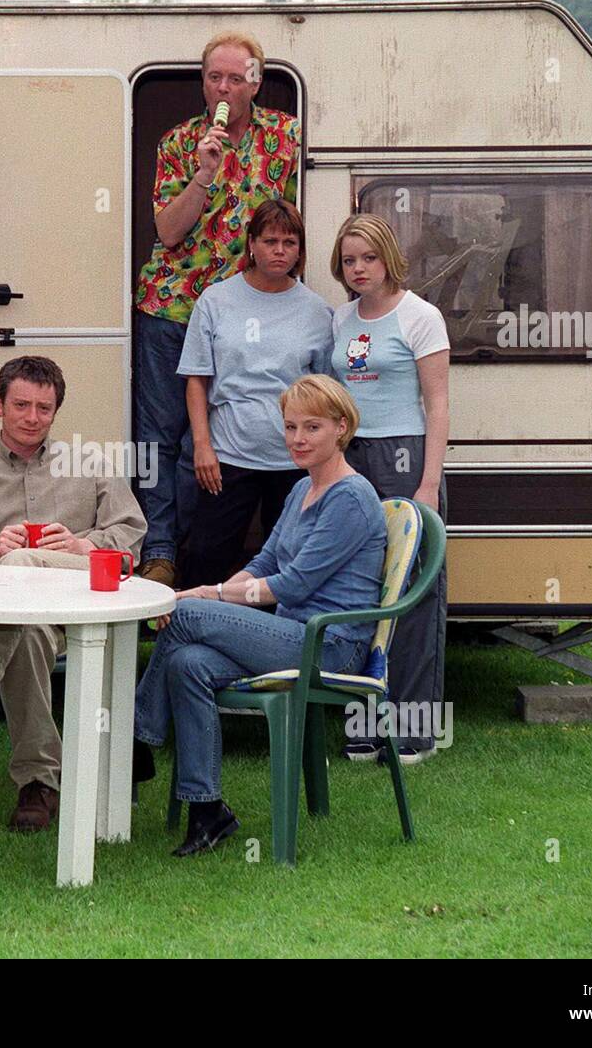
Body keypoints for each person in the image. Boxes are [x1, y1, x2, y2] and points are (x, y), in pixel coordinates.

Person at [134, 375, 386, 856]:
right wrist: (205, 590)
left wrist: (196, 600)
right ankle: (208, 810)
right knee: (188, 664)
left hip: (329, 645)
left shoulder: (350, 498)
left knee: (183, 617)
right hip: (289, 634)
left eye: (312, 427)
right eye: (290, 426)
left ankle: (137, 738)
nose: (297, 438)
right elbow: (263, 566)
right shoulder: (300, 492)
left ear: (342, 427)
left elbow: (291, 586)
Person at [0, 356, 147, 832]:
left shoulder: (90, 465)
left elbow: (132, 535)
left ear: (56, 411)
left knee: (22, 563)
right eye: (21, 405)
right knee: (27, 628)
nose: (32, 417)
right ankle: (37, 784)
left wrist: (84, 543)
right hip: (16, 619)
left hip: (77, 607)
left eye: (44, 408)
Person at [133, 30, 303, 589]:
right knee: (161, 436)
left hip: (243, 313)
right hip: (174, 306)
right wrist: (204, 172)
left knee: (207, 440)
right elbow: (168, 231)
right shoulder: (180, 142)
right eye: (213, 77)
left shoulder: (285, 137)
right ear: (202, 84)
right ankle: (159, 551)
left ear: (256, 82)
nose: (223, 88)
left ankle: (189, 550)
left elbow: (292, 222)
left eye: (235, 77)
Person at [328, 214, 449, 765]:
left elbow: (438, 403)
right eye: (349, 260)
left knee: (411, 596)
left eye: (367, 258)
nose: (358, 269)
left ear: (388, 258)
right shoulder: (341, 320)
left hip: (403, 457)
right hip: (350, 461)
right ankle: (363, 724)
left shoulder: (420, 317)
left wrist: (428, 483)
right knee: (357, 591)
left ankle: (414, 731)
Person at [178, 199, 334, 587]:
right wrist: (202, 445)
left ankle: (279, 642)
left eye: (289, 242)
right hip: (228, 455)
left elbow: (328, 391)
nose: (279, 250)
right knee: (207, 555)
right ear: (251, 244)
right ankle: (194, 636)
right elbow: (197, 378)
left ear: (299, 250)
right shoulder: (216, 301)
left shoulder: (317, 311)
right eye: (270, 241)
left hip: (295, 461)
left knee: (288, 563)